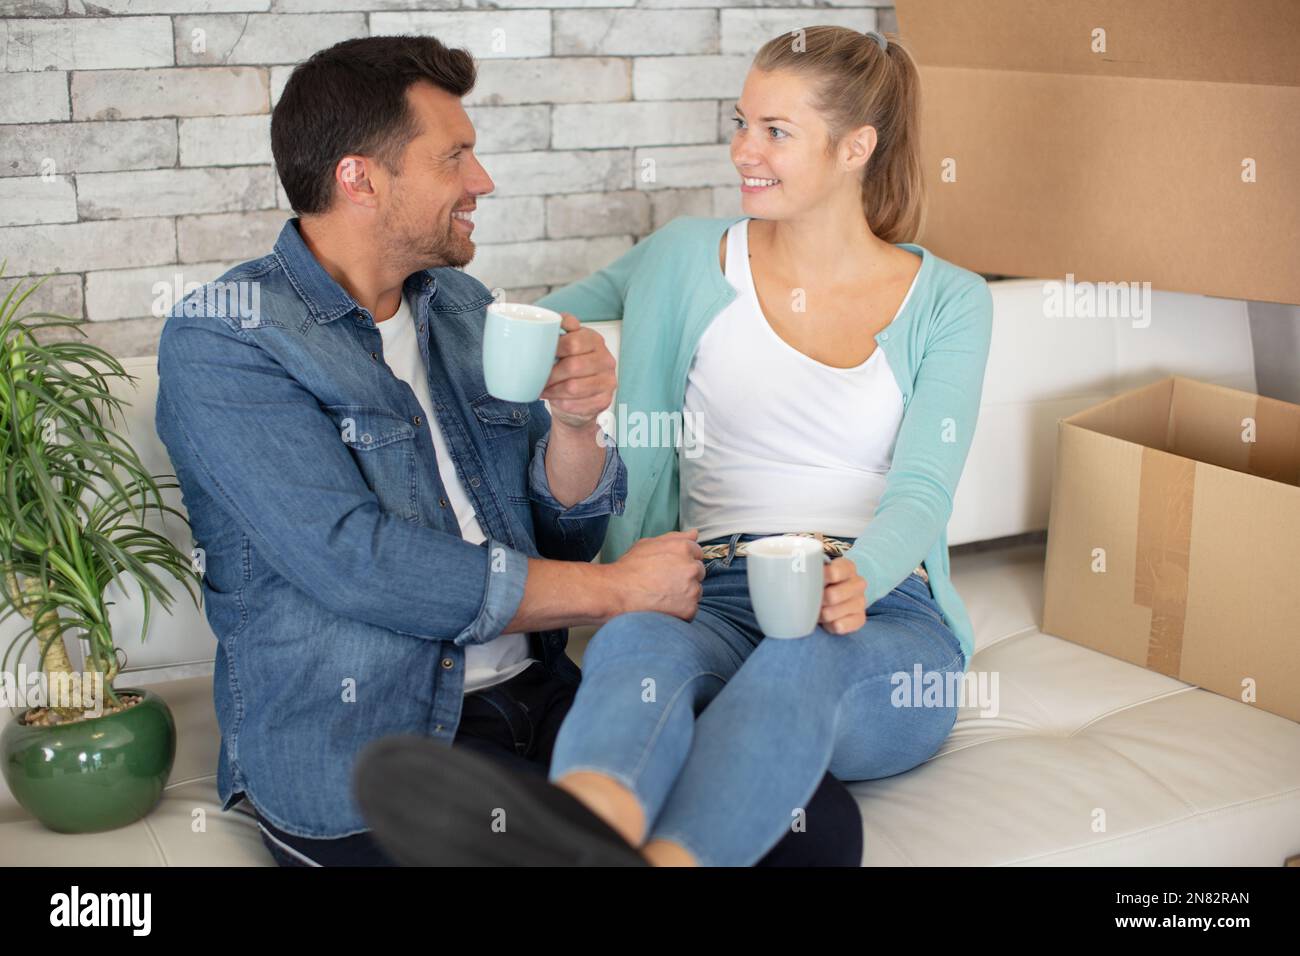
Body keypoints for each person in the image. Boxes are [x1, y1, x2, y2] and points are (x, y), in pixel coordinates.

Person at [154, 33, 859, 867]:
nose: (481, 181)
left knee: (812, 823)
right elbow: (356, 564)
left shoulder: (461, 309)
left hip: (543, 703)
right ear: (359, 178)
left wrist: (576, 424)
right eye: (455, 157)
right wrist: (616, 593)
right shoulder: (227, 338)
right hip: (375, 741)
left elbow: (561, 534)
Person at [358, 26, 992, 867]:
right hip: (710, 590)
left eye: (776, 131)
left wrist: (861, 576)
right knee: (631, 645)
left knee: (799, 664)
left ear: (856, 148)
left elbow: (923, 490)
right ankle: (581, 833)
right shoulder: (689, 256)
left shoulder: (949, 300)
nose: (744, 151)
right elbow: (498, 323)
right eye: (741, 122)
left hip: (878, 611)